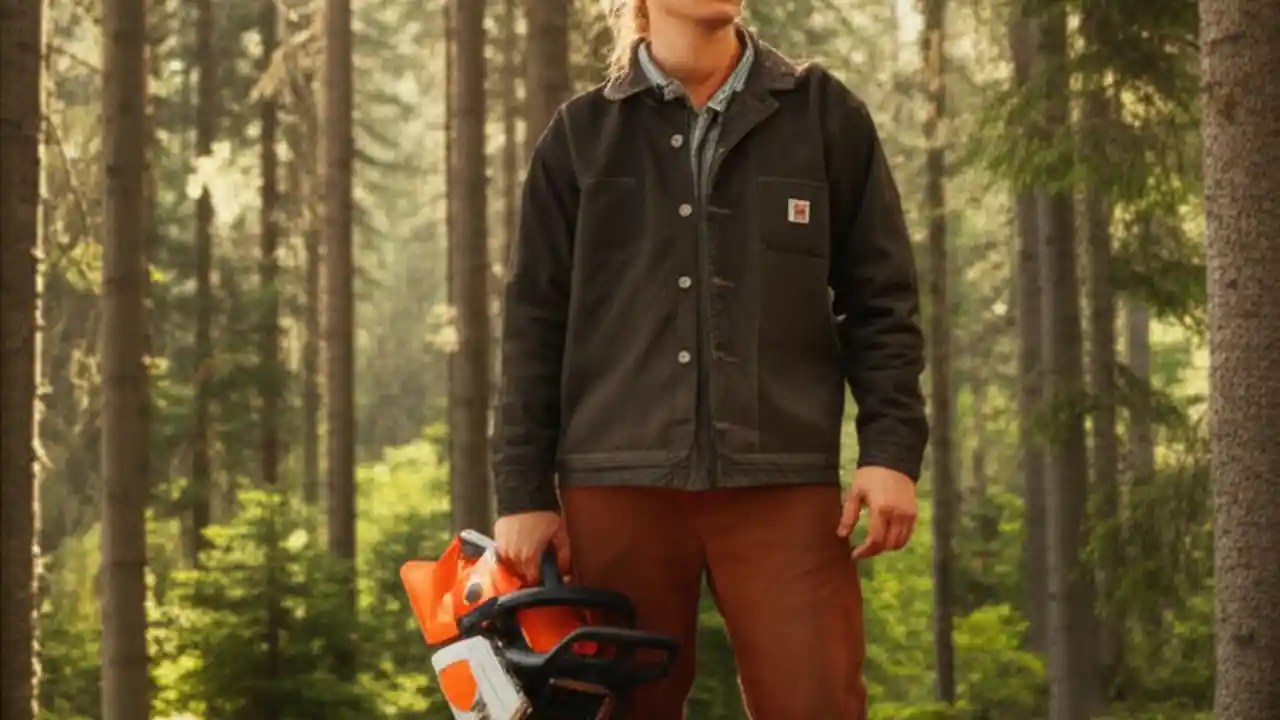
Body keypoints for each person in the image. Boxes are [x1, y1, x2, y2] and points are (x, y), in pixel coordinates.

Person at [492, 0, 928, 717]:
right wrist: (523, 493)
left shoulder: (824, 116)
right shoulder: (580, 136)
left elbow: (881, 300)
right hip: (615, 486)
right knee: (612, 710)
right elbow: (534, 324)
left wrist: (891, 452)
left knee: (818, 702)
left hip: (783, 484)